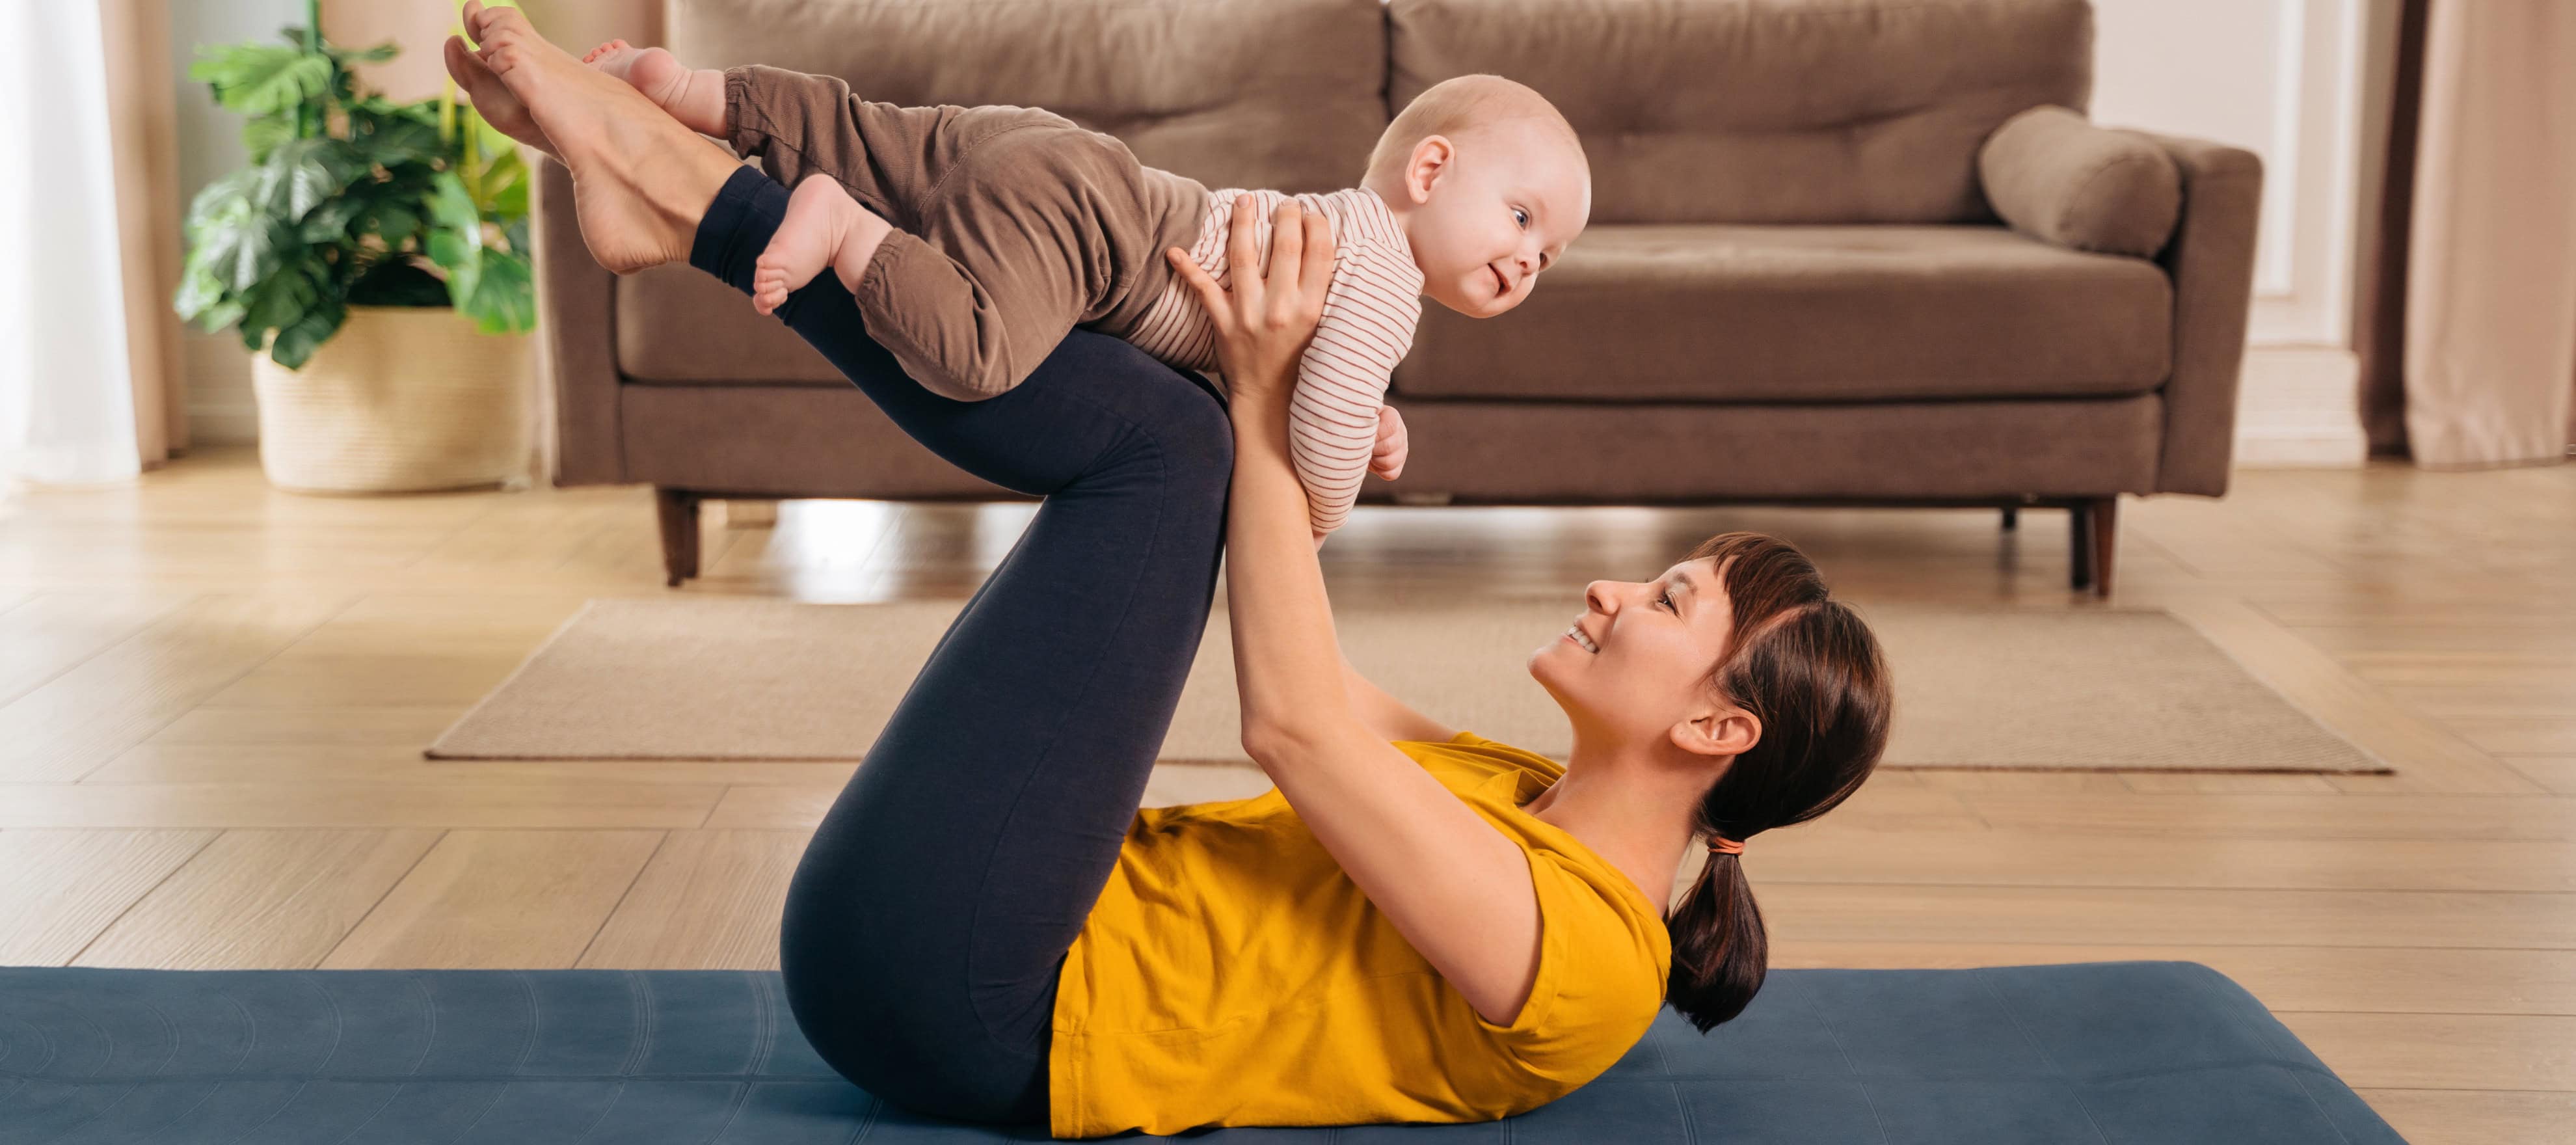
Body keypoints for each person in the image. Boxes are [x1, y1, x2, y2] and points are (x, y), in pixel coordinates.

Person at [441, 4, 1892, 1137]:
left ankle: (697, 189)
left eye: (1667, 603)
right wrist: (1270, 387)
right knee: (1176, 434)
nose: (1613, 592)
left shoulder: (1588, 962)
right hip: (983, 921)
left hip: (974, 1004)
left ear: (1719, 725)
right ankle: (695, 188)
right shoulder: (1517, 792)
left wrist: (1266, 400)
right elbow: (1301, 651)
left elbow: (1294, 725)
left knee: (1180, 447)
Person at [518, 36, 1587, 543]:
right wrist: (1333, 495)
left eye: (1547, 258)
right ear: (1430, 170)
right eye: (1523, 219)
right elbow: (1315, 459)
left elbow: (1315, 381)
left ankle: (693, 93)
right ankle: (843, 225)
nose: (1527, 263)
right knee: (976, 354)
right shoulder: (1387, 284)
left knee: (875, 134)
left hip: (1065, 157)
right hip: (1099, 237)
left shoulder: (1343, 239)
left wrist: (1369, 418)